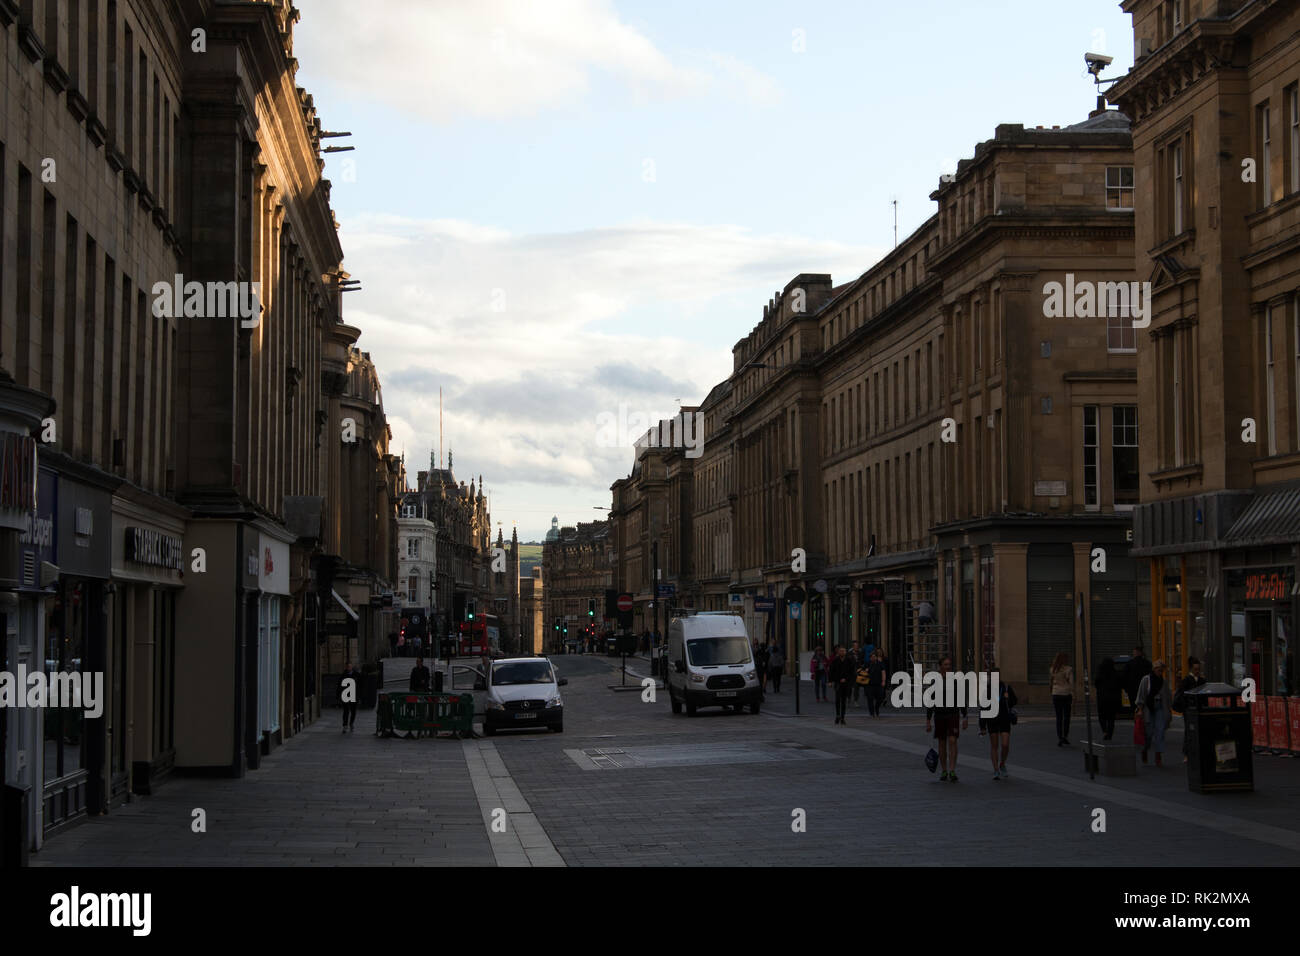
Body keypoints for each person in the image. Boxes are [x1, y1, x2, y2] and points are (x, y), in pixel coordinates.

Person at [925, 655, 968, 782]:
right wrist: (928, 720)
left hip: (953, 714)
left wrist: (965, 716)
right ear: (940, 667)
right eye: (945, 665)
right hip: (939, 715)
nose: (948, 667)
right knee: (942, 743)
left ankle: (952, 770)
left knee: (953, 741)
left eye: (949, 665)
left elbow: (961, 699)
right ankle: (944, 770)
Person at [1135, 659, 1173, 767]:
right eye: (1158, 670)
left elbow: (1168, 696)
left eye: (1162, 671)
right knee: (1149, 733)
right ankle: (1145, 749)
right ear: (1154, 669)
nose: (1160, 672)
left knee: (1160, 732)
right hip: (1148, 708)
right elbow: (1141, 695)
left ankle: (1158, 756)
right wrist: (1140, 708)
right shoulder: (1146, 680)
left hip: (1160, 707)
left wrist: (1169, 710)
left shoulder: (1164, 682)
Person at [980, 669, 1016, 779]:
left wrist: (1008, 698)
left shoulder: (1006, 688)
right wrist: (982, 726)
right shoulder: (987, 690)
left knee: (1005, 745)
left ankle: (1002, 763)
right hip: (992, 719)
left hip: (1004, 719)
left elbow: (1014, 701)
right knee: (994, 745)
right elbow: (983, 708)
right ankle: (996, 770)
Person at [1175, 656, 1208, 761]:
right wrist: (1186, 708)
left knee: (1200, 731)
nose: (1197, 671)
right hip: (1189, 710)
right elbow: (1181, 696)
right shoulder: (1186, 681)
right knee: (1189, 732)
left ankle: (1198, 752)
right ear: (1191, 669)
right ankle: (1187, 753)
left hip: (1200, 709)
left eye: (1198, 669)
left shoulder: (1202, 681)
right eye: (1195, 669)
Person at [1094, 657, 1122, 741]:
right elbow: (1119, 685)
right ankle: (1109, 734)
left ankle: (1105, 731)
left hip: (1102, 698)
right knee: (1111, 718)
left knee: (1102, 716)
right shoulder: (1115, 674)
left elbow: (1096, 684)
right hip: (1113, 698)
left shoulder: (1100, 674)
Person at [1050, 652, 1074, 746]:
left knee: (1059, 717)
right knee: (1066, 716)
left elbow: (1051, 682)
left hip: (1056, 693)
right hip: (1066, 694)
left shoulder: (1053, 669)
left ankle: (1060, 737)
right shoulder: (1069, 669)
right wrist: (1073, 694)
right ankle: (1065, 736)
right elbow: (1071, 683)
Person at [829, 645, 854, 724]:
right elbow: (831, 671)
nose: (842, 652)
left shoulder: (849, 660)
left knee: (843, 700)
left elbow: (852, 672)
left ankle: (842, 717)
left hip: (846, 683)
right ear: (838, 652)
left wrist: (846, 679)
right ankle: (837, 715)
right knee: (837, 699)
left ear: (846, 652)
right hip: (837, 682)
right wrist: (830, 681)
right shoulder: (835, 660)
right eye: (841, 651)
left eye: (844, 651)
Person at [1127, 646, 1151, 711]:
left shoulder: (1129, 664)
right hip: (1145, 688)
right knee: (1144, 706)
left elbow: (1125, 677)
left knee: (1134, 706)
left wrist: (1127, 688)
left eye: (1134, 652)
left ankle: (1136, 718)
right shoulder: (1147, 663)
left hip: (1132, 689)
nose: (1134, 654)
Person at [338, 663, 360, 733]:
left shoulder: (357, 675)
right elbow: (339, 686)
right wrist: (339, 695)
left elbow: (360, 686)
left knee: (353, 711)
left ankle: (351, 723)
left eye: (349, 666)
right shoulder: (343, 675)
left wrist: (359, 696)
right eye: (347, 667)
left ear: (352, 667)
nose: (348, 668)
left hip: (354, 695)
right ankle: (345, 726)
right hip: (346, 695)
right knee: (346, 711)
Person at [867, 649, 887, 717]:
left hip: (879, 683)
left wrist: (883, 681)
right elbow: (862, 671)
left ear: (876, 657)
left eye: (874, 656)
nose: (873, 658)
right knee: (870, 699)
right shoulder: (868, 664)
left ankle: (877, 708)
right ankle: (872, 712)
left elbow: (883, 672)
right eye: (872, 657)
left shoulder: (880, 663)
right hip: (869, 684)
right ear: (870, 658)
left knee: (880, 698)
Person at [850, 641, 864, 707]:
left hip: (858, 673)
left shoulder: (860, 653)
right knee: (849, 687)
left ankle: (856, 700)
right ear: (853, 647)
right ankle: (848, 697)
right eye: (855, 646)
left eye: (857, 646)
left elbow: (862, 662)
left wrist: (861, 667)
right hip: (851, 673)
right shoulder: (849, 654)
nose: (856, 647)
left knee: (856, 687)